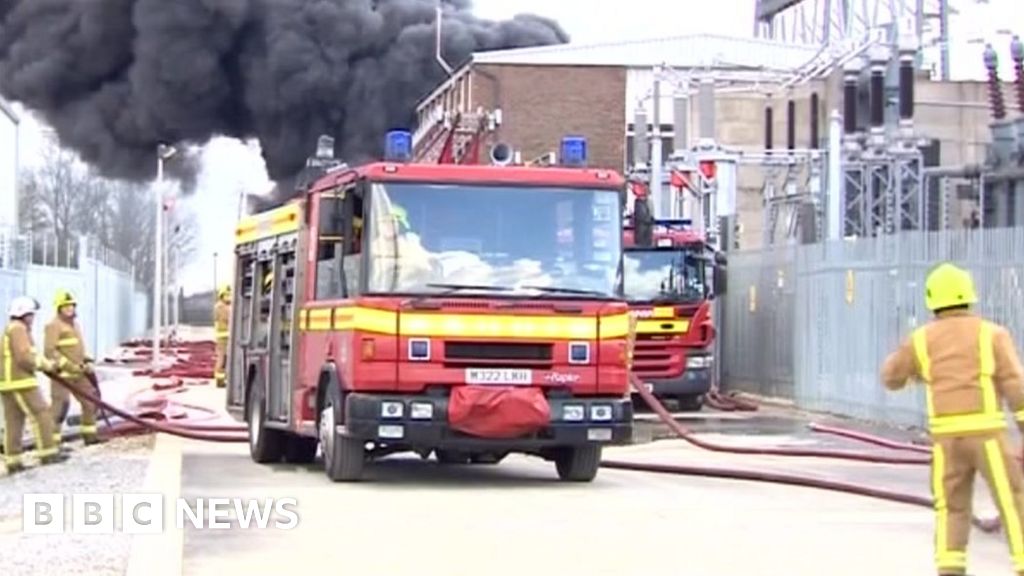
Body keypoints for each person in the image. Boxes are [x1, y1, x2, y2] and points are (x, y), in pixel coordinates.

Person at [881, 262, 1024, 576]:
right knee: (1012, 500)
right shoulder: (992, 334)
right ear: (969, 295)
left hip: (946, 443)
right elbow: (1014, 384)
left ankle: (950, 569)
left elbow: (890, 377)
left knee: (952, 508)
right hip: (987, 436)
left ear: (932, 298)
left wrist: (921, 372)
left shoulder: (921, 340)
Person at [1, 296, 69, 474]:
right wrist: (45, 365)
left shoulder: (12, 329)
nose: (33, 318)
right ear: (24, 314)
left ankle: (13, 461)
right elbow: (24, 356)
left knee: (14, 422)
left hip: (8, 383)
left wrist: (43, 363)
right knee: (42, 413)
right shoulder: (19, 329)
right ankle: (48, 453)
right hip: (21, 381)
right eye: (31, 314)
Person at [45, 290, 104, 448]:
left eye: (71, 305)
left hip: (80, 373)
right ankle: (52, 445)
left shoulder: (75, 325)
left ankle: (90, 436)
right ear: (59, 309)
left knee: (90, 402)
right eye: (65, 306)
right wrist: (68, 365)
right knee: (59, 408)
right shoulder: (53, 326)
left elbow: (80, 348)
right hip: (62, 376)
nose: (69, 309)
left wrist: (88, 361)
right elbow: (50, 351)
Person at [213, 285, 231, 388]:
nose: (229, 297)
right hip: (222, 338)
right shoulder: (221, 307)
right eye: (227, 295)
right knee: (222, 359)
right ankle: (220, 381)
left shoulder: (224, 306)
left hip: (225, 338)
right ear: (222, 296)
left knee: (225, 359)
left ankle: (222, 379)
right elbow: (229, 318)